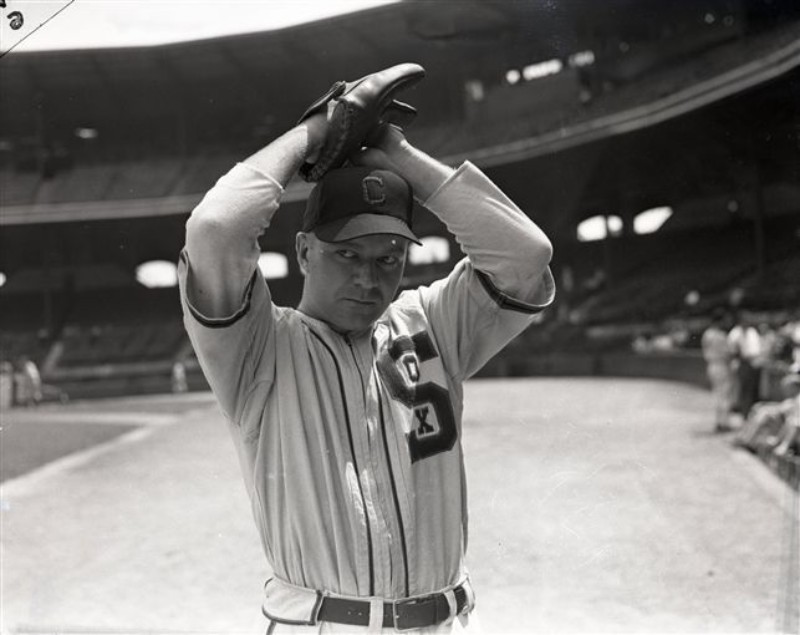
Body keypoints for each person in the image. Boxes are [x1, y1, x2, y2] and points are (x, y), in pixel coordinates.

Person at [179, 65, 554, 633]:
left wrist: (390, 148)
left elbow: (525, 256)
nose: (368, 278)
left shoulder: (431, 325)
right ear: (305, 252)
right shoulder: (257, 346)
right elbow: (215, 228)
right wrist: (320, 129)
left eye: (388, 258)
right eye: (347, 255)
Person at [701, 309, 734, 432]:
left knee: (717, 394)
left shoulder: (707, 334)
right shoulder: (720, 335)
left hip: (711, 365)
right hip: (721, 365)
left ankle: (719, 421)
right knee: (725, 394)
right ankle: (724, 423)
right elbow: (727, 353)